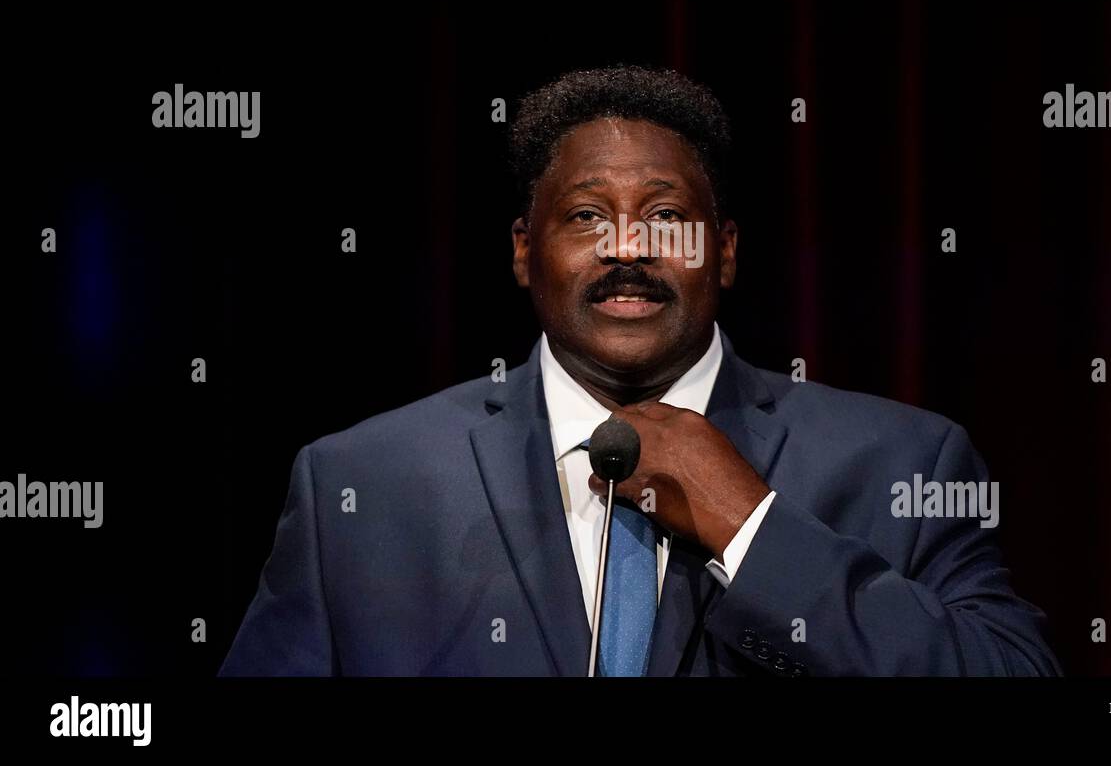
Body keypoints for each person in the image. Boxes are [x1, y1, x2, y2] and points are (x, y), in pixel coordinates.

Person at [219, 65, 1062, 676]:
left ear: (723, 252)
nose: (627, 248)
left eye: (666, 216)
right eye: (587, 216)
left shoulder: (904, 464)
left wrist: (753, 528)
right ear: (524, 251)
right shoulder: (359, 485)